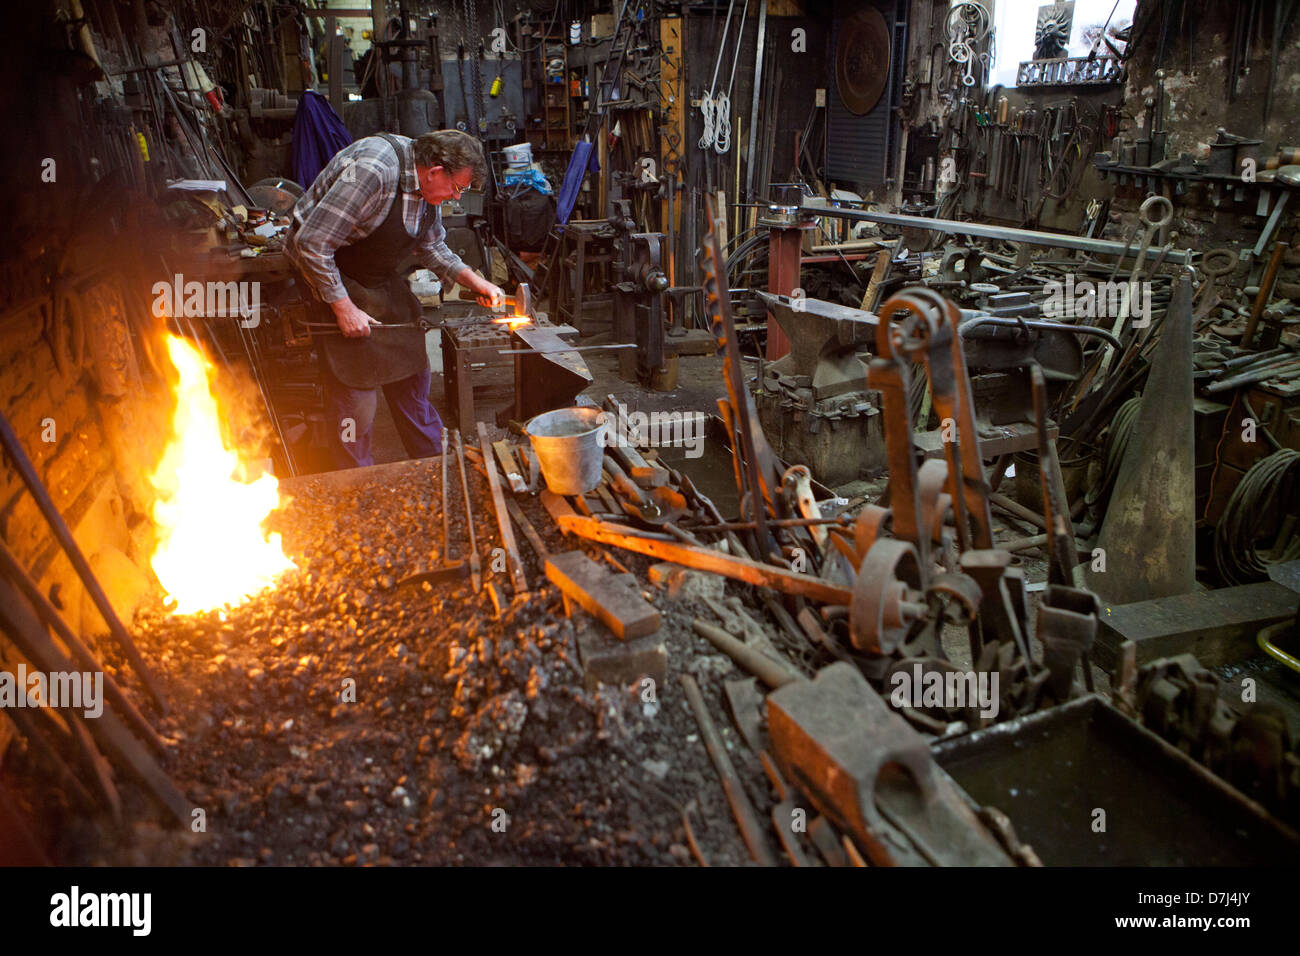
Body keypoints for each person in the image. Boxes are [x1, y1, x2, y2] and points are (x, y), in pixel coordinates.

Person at [285, 129, 505, 469]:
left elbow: (432, 246)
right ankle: (358, 484)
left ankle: (437, 468)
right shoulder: (374, 171)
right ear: (434, 171)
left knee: (412, 366)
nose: (457, 198)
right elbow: (312, 243)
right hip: (328, 269)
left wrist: (474, 281)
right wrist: (343, 308)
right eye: (457, 188)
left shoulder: (426, 189)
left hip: (375, 273)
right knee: (356, 392)